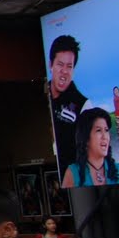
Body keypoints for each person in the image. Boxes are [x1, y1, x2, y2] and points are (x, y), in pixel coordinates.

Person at [46, 34, 87, 176]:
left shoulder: (83, 104)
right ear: (51, 65)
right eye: (60, 64)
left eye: (69, 66)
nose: (64, 71)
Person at [61, 108, 119, 187]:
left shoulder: (118, 169)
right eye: (98, 130)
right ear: (86, 138)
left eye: (106, 130)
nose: (105, 136)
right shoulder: (73, 172)